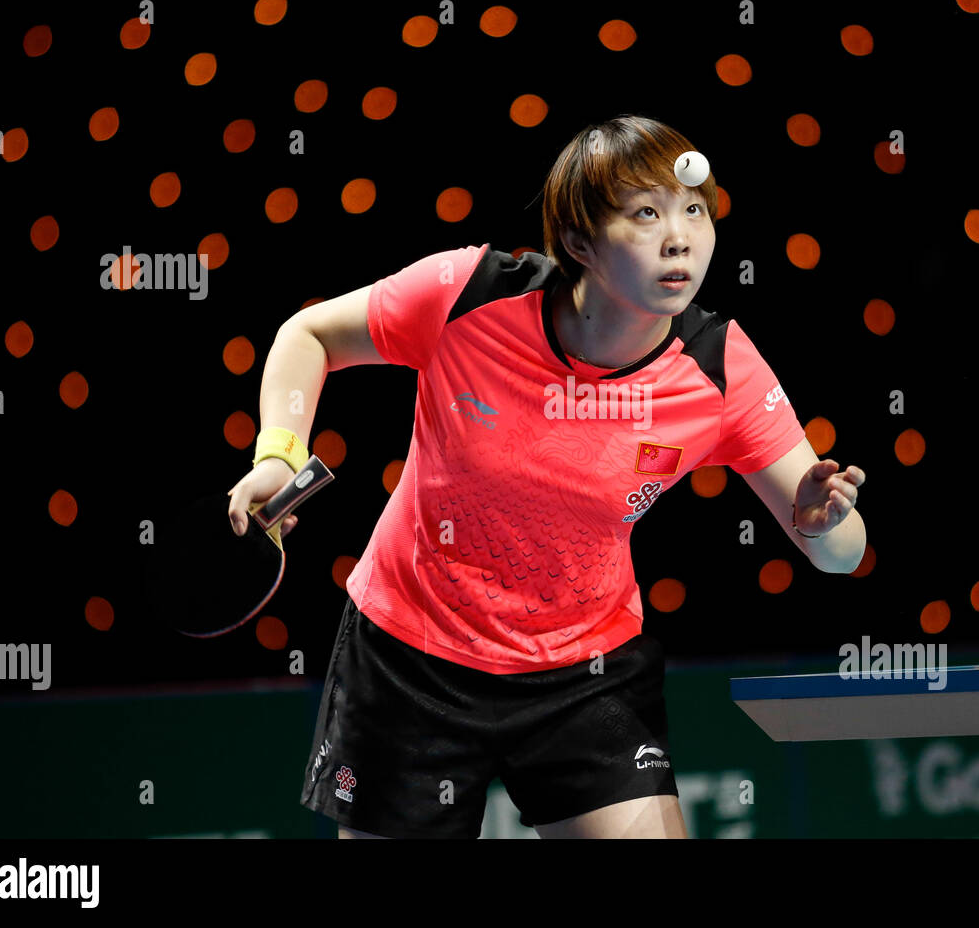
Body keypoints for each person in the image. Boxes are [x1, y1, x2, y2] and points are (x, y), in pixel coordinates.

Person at [227, 114, 867, 839]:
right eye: (645, 214)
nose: (681, 236)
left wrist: (825, 524)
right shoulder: (468, 293)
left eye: (695, 211)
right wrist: (277, 453)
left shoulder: (719, 367)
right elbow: (306, 335)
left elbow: (840, 556)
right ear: (578, 241)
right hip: (412, 658)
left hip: (584, 670)